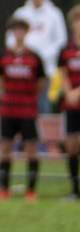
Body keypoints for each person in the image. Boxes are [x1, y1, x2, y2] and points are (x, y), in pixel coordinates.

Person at [0, 18, 46, 201]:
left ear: (26, 32)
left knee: (31, 148)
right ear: (11, 33)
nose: (18, 33)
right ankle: (4, 189)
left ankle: (31, 190)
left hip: (27, 109)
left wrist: (29, 98)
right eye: (15, 30)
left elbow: (40, 82)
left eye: (21, 30)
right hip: (8, 109)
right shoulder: (3, 56)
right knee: (5, 148)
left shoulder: (34, 57)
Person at [8, 0, 67, 111]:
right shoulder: (21, 13)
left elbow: (61, 41)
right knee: (19, 108)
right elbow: (10, 39)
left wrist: (39, 57)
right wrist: (24, 55)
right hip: (20, 71)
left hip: (45, 71)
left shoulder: (54, 14)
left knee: (42, 106)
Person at [57, 5, 80, 200]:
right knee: (71, 146)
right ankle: (74, 189)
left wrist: (77, 91)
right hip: (72, 105)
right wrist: (69, 93)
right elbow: (63, 74)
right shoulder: (66, 50)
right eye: (77, 21)